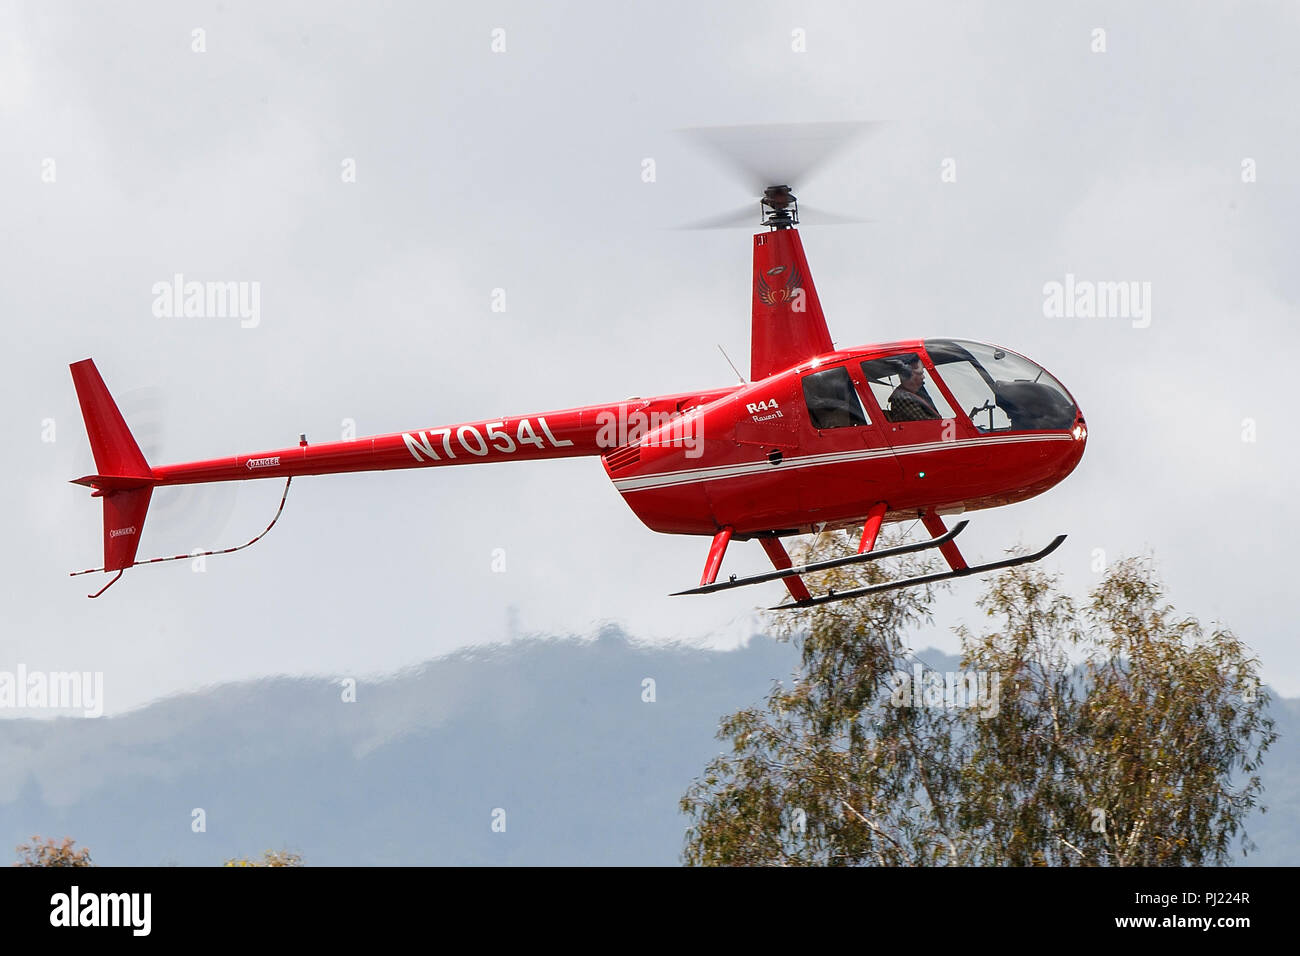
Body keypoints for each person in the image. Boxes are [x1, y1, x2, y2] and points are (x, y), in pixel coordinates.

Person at [887, 355, 942, 421]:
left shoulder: (917, 393)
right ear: (907, 375)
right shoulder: (903, 398)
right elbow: (928, 423)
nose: (923, 377)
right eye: (920, 374)